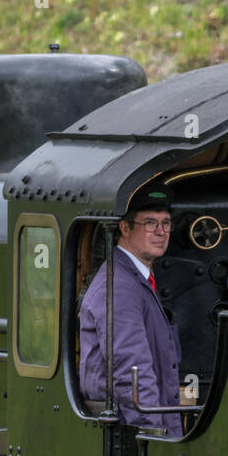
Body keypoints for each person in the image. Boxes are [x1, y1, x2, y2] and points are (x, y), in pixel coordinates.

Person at [79, 184, 182, 437]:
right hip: (134, 432)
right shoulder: (121, 287)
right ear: (124, 228)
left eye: (166, 223)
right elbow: (132, 373)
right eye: (150, 223)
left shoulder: (135, 278)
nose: (160, 232)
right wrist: (152, 437)